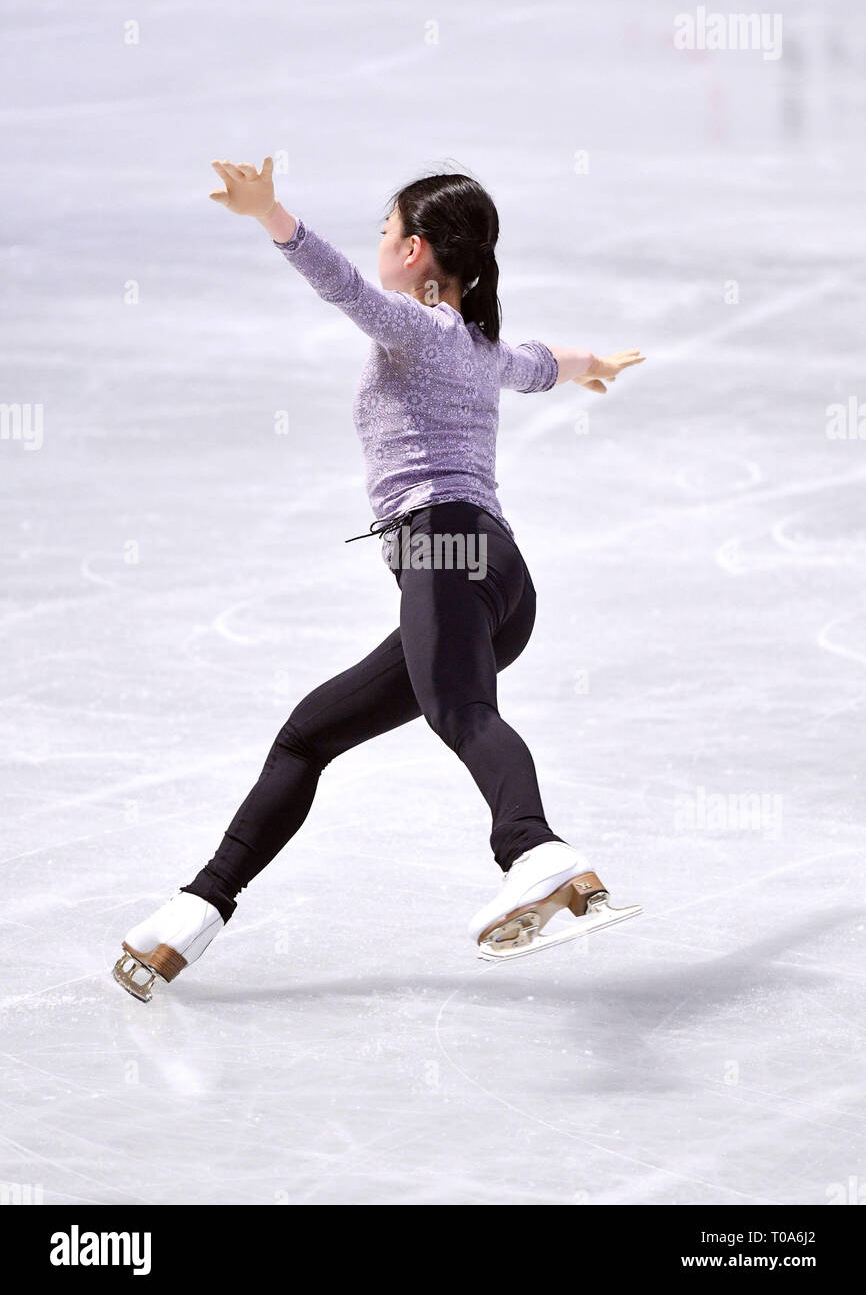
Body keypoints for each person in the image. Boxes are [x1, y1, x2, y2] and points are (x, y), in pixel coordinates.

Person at [113, 159, 645, 1001]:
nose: (382, 246)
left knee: (463, 714)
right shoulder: (480, 347)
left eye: (387, 232)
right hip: (500, 582)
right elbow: (544, 363)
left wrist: (272, 214)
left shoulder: (424, 328)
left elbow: (344, 289)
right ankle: (197, 908)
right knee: (309, 734)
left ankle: (536, 852)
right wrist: (592, 365)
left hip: (442, 552)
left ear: (418, 250)